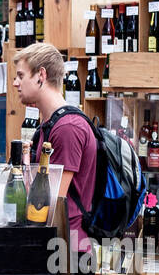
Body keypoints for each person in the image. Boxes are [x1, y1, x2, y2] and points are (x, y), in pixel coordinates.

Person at [13, 42, 97, 262]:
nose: (15, 83)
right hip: (55, 244)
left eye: (21, 76)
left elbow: (52, 202)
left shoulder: (68, 128)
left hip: (66, 250)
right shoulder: (49, 125)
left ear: (41, 75)